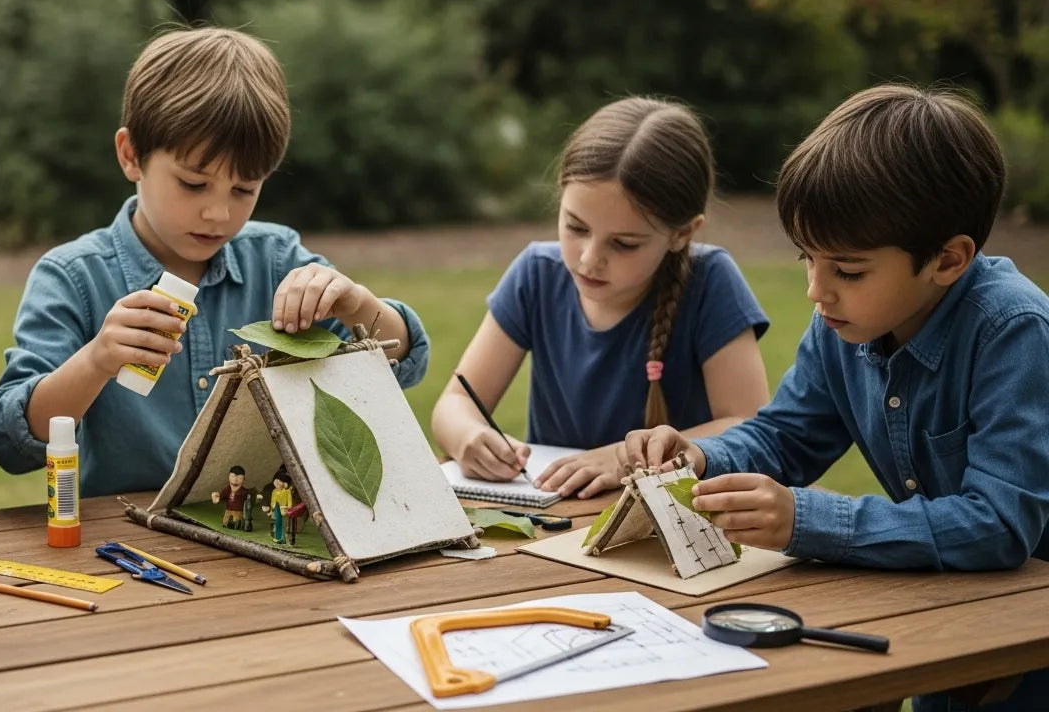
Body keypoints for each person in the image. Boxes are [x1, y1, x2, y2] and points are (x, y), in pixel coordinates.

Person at [625, 85, 1049, 712]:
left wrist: (808, 521)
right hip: (938, 620)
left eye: (848, 270)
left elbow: (998, 524)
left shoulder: (1014, 331)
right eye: (807, 259)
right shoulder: (843, 324)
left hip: (1023, 651)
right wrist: (703, 458)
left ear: (949, 259)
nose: (817, 292)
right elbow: (785, 437)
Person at [0, 27, 430, 496]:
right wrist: (95, 361)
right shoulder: (73, 277)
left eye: (244, 190)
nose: (218, 213)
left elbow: (402, 363)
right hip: (130, 540)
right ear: (131, 155)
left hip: (266, 533)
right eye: (193, 184)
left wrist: (355, 303)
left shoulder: (276, 259)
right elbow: (9, 442)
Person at [431, 97, 769, 498]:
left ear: (682, 234)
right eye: (575, 227)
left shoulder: (710, 281)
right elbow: (455, 401)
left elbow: (748, 427)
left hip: (672, 520)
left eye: (624, 244)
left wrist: (626, 458)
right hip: (556, 513)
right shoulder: (537, 273)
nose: (590, 259)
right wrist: (468, 436)